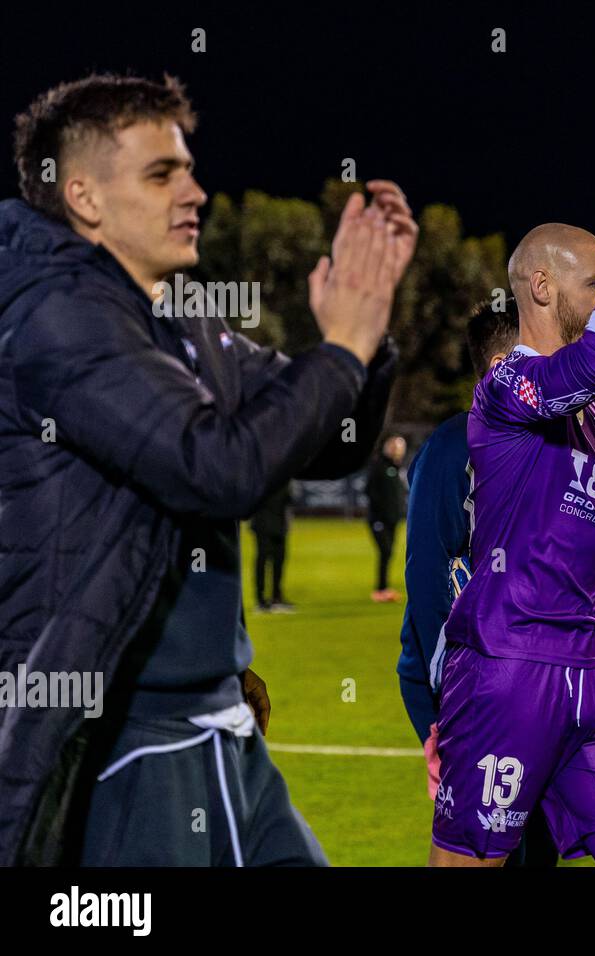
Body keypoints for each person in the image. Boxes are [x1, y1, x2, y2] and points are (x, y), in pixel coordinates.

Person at [0, 73, 416, 866]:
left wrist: (367, 346)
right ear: (83, 196)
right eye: (162, 174)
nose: (194, 190)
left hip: (220, 729)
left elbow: (329, 439)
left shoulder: (175, 312)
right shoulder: (56, 319)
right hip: (124, 745)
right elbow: (214, 468)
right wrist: (340, 351)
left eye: (188, 167)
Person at [431, 189, 595, 867]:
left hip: (594, 679)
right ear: (540, 286)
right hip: (510, 671)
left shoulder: (592, 419)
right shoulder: (505, 384)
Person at [400, 299, 557, 867]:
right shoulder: (452, 447)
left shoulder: (539, 442)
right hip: (478, 696)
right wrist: (448, 710)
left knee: (537, 850)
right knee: (485, 854)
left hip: (536, 691)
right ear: (499, 366)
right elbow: (427, 579)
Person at [367, 434, 408, 602]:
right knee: (385, 551)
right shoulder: (379, 466)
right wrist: (380, 512)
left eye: (400, 448)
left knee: (388, 552)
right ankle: (380, 589)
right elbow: (370, 490)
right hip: (379, 519)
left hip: (393, 519)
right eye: (395, 447)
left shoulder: (397, 468)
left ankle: (384, 588)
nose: (397, 451)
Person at [251, 483, 295, 612]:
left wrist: (287, 524)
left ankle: (276, 597)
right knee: (263, 559)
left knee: (279, 560)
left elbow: (288, 501)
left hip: (280, 526)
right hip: (263, 524)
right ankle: (260, 599)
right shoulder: (260, 475)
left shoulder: (283, 477)